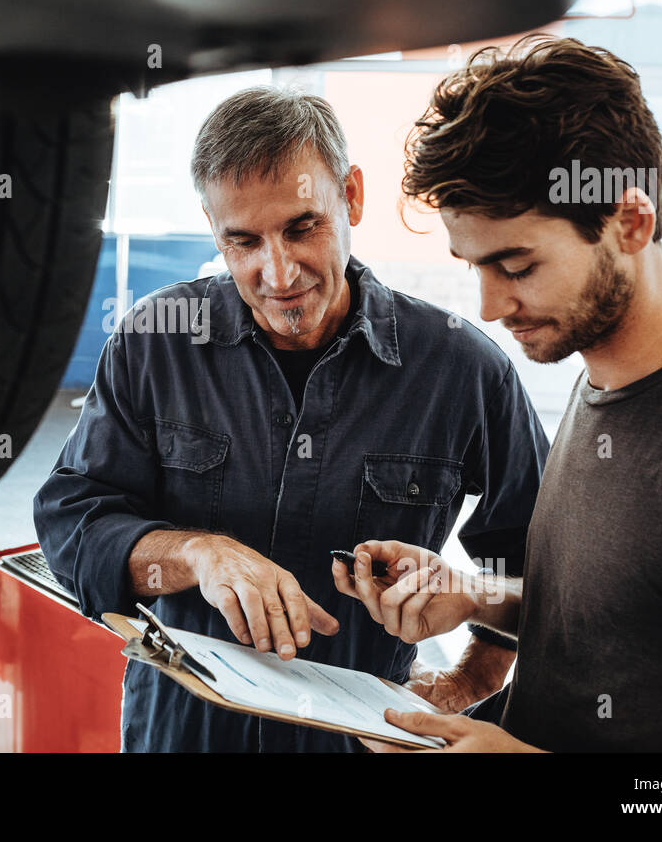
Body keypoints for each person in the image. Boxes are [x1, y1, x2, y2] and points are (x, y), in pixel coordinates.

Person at [33, 85, 550, 752]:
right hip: (180, 737)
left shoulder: (461, 369)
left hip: (362, 742)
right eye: (242, 241)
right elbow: (72, 526)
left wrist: (467, 679)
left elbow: (538, 566)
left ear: (353, 196)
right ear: (212, 228)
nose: (276, 273)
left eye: (302, 227)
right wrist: (197, 554)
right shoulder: (153, 343)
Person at [335, 35, 662, 752]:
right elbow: (638, 628)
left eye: (517, 265)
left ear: (630, 222)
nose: (491, 305)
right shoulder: (602, 383)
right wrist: (472, 596)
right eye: (475, 268)